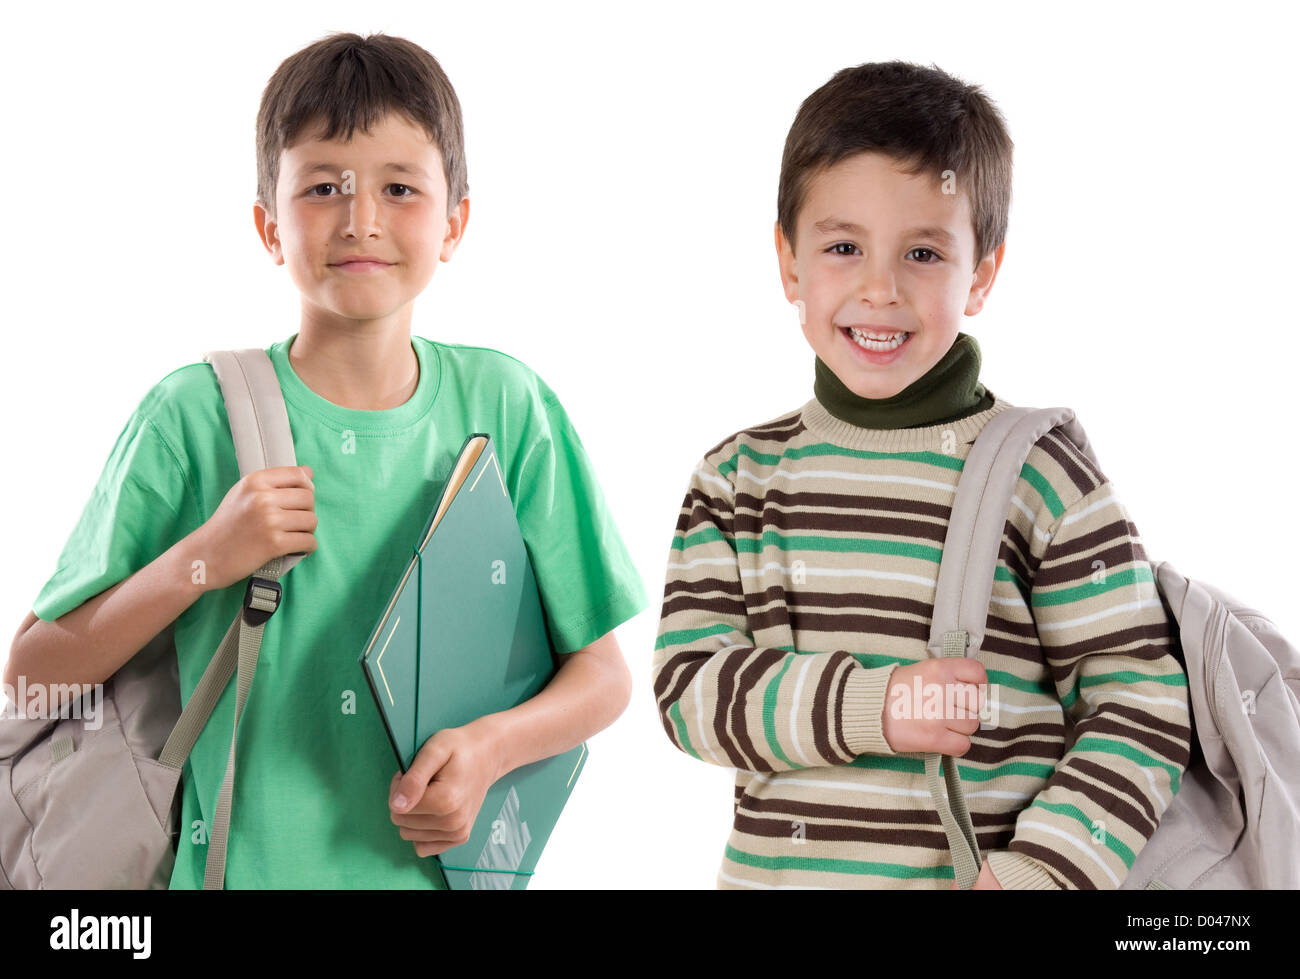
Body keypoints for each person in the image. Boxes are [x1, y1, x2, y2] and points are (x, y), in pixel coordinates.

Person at [5, 31, 647, 889]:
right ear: (269, 224)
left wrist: (490, 749)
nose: (361, 218)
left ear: (455, 220)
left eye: (399, 187)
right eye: (323, 186)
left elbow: (602, 674)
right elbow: (32, 678)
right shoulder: (192, 416)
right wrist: (206, 559)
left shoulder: (508, 408)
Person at [651, 60, 1191, 889]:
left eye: (923, 253)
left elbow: (1138, 699)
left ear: (981, 274)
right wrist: (879, 704)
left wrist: (1042, 869)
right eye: (842, 247)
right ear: (788, 264)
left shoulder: (1041, 475)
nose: (879, 288)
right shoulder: (736, 479)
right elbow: (691, 690)